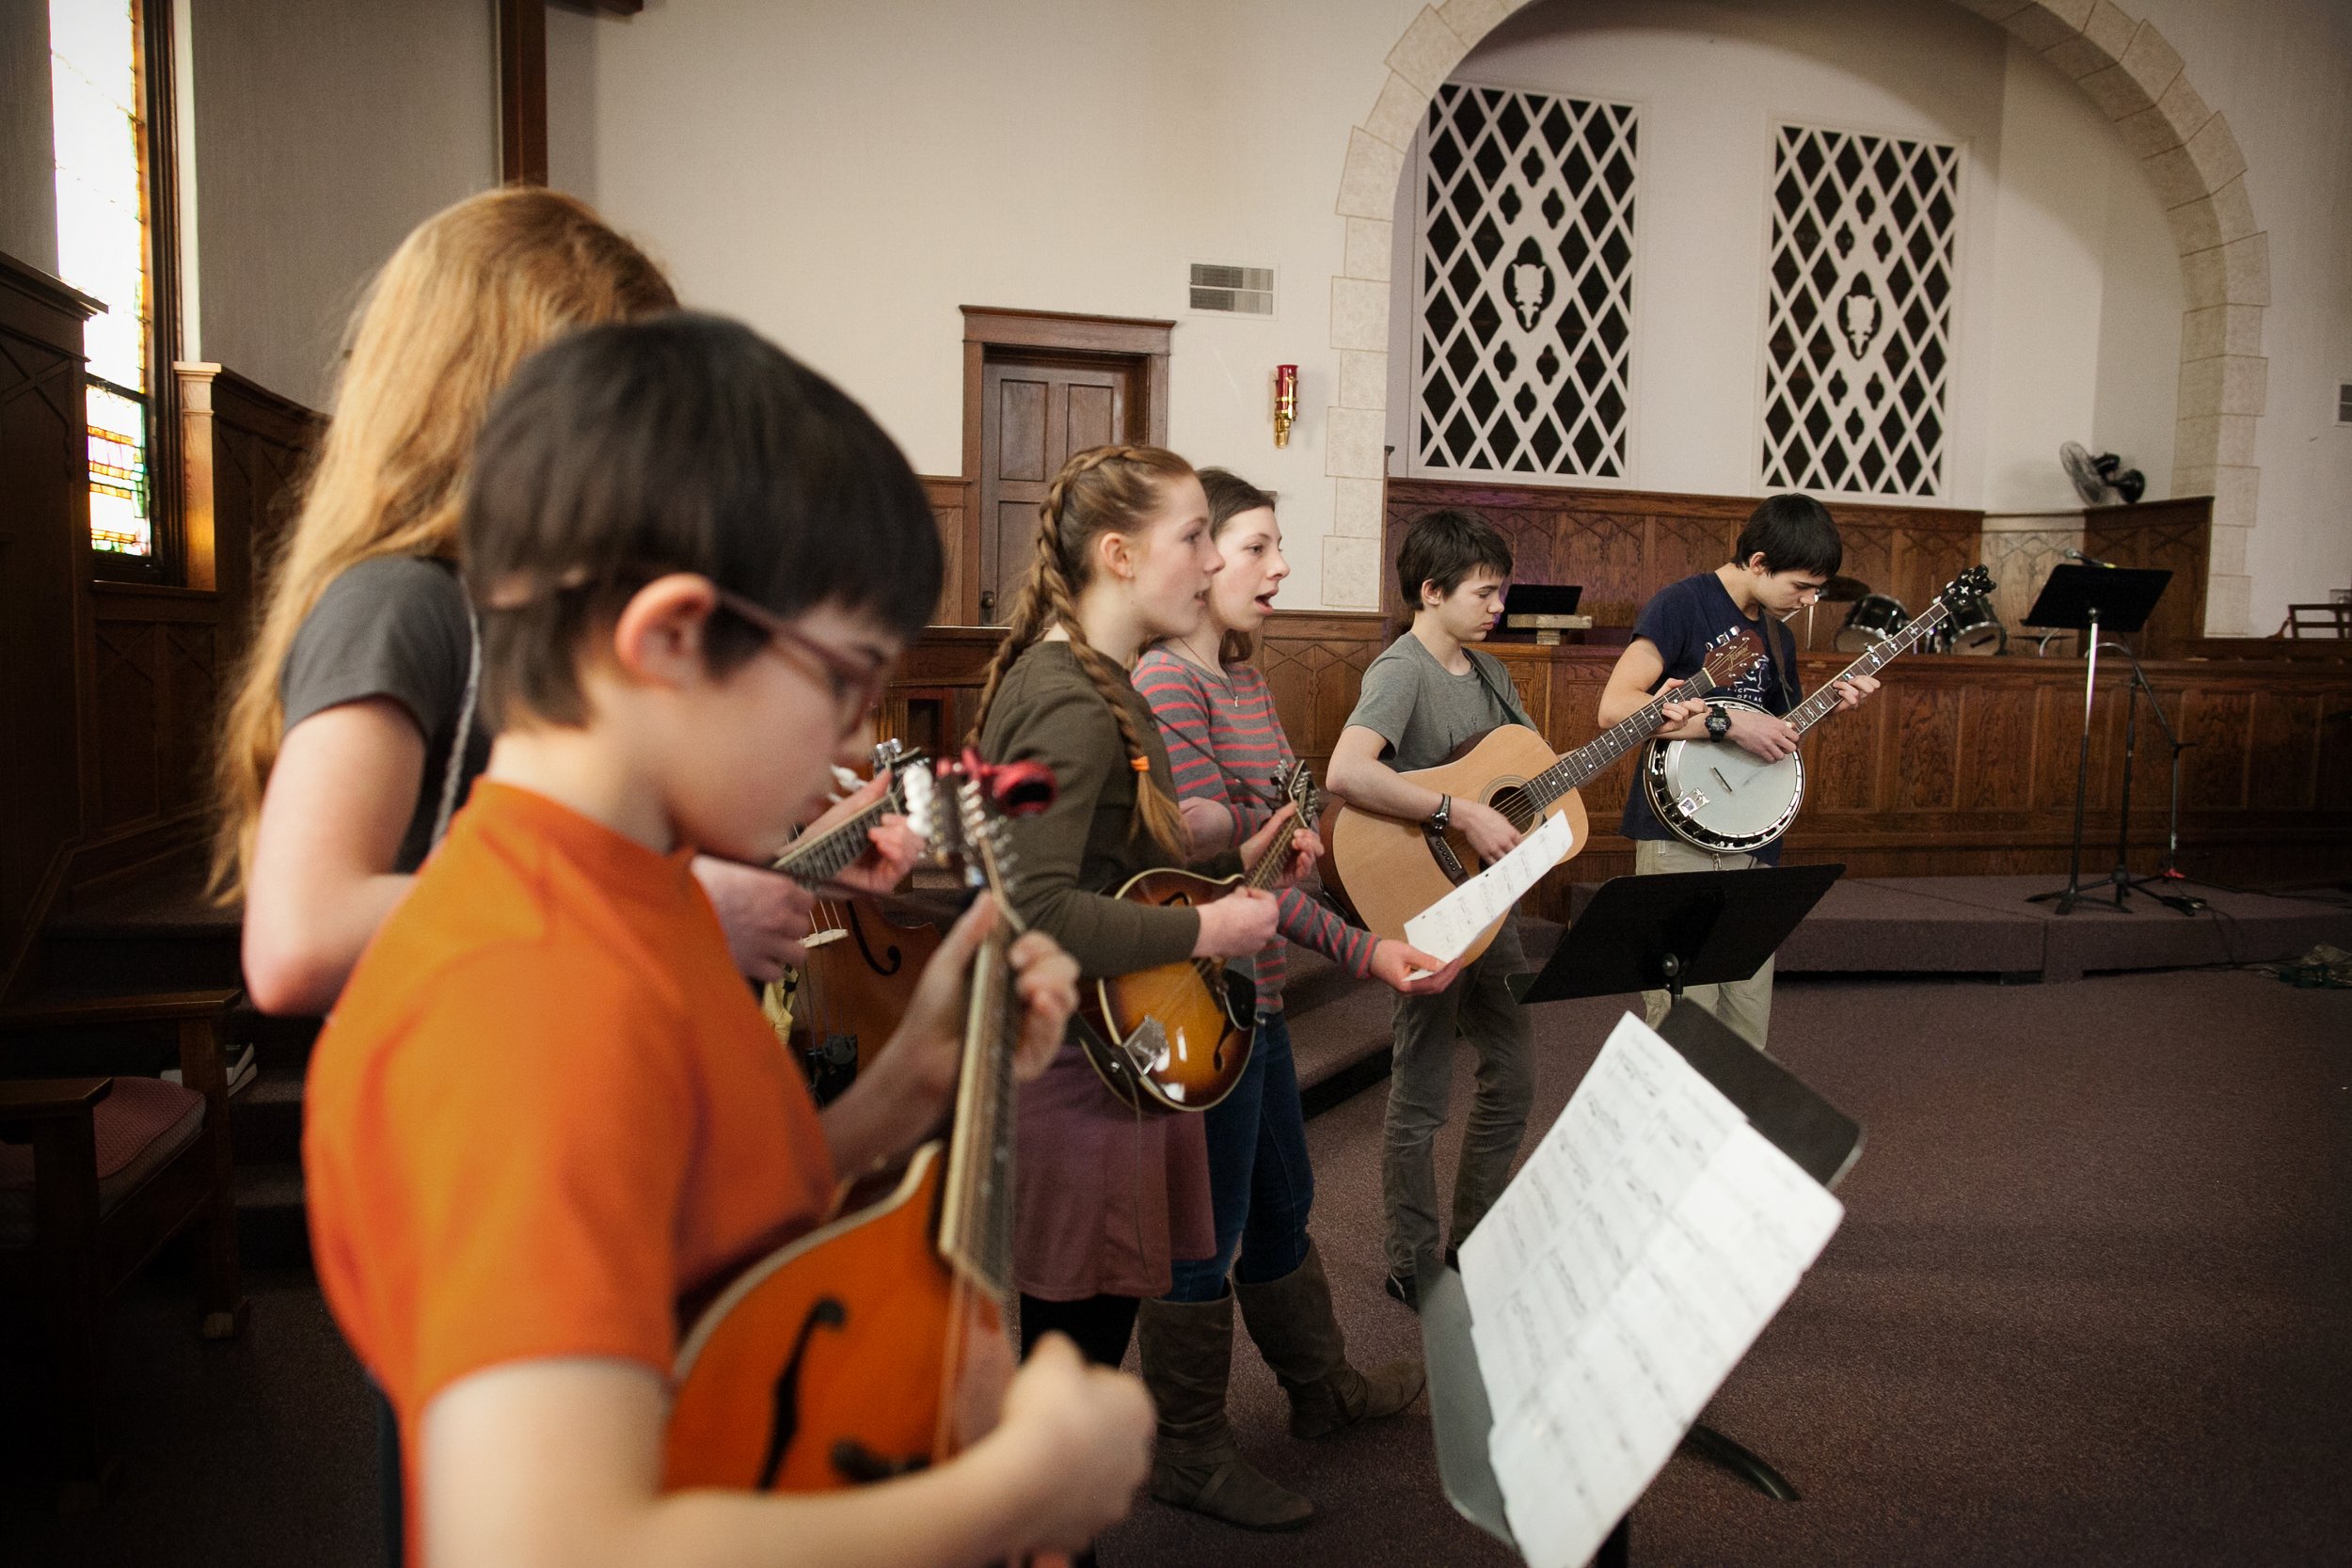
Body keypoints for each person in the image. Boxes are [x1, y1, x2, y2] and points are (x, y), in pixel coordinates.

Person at [304, 312, 1153, 1568]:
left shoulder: (628, 894)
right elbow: (547, 1543)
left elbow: (691, 1213)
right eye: (846, 679)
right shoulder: (523, 993)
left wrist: (912, 1075)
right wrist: (1024, 1486)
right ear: (673, 637)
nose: (859, 742)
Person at [213, 186, 888, 1018]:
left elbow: (592, 846)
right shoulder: (400, 603)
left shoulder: (547, 614)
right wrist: (669, 901)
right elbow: (300, 941)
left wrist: (802, 843)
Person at [1129, 467, 1454, 1529]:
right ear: (1200, 554)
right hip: (1197, 1007)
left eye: (1278, 546)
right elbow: (1199, 872)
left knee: (1279, 1209)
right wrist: (1280, 847)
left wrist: (1366, 951)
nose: (1280, 568)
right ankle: (1187, 1448)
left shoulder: (1243, 680)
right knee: (1201, 1232)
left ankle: (1320, 1392)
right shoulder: (1166, 684)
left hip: (1258, 995)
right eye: (1258, 545)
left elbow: (1275, 881)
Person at [966, 447, 1314, 1381]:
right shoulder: (1070, 697)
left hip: (1105, 1046)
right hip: (1076, 1069)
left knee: (1082, 1353)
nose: (1211, 561)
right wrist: (1210, 929)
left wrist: (1212, 847)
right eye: (1195, 535)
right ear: (1119, 556)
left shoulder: (1099, 680)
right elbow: (1031, 905)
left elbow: (1102, 865)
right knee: (1068, 1368)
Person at [1327, 509, 1542, 1311]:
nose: (1498, 606)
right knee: (1420, 1091)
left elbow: (1531, 766)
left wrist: (1650, 722)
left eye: (1501, 591)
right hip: (1428, 900)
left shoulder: (1489, 675)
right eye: (1486, 593)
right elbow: (1348, 771)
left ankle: (1476, 1242)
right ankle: (1410, 1260)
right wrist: (1455, 811)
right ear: (1431, 591)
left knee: (1514, 1078)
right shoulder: (1401, 669)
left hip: (1493, 904)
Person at [1597, 493, 1876, 1051]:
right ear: (1758, 562)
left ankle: (1727, 1137)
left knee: (1747, 1022)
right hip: (1678, 831)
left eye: (1816, 589)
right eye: (1800, 586)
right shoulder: (1682, 604)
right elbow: (1614, 708)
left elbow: (1770, 739)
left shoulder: (1779, 634)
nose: (1808, 600)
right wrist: (1727, 724)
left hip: (1752, 838)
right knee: (1683, 1016)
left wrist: (1827, 707)